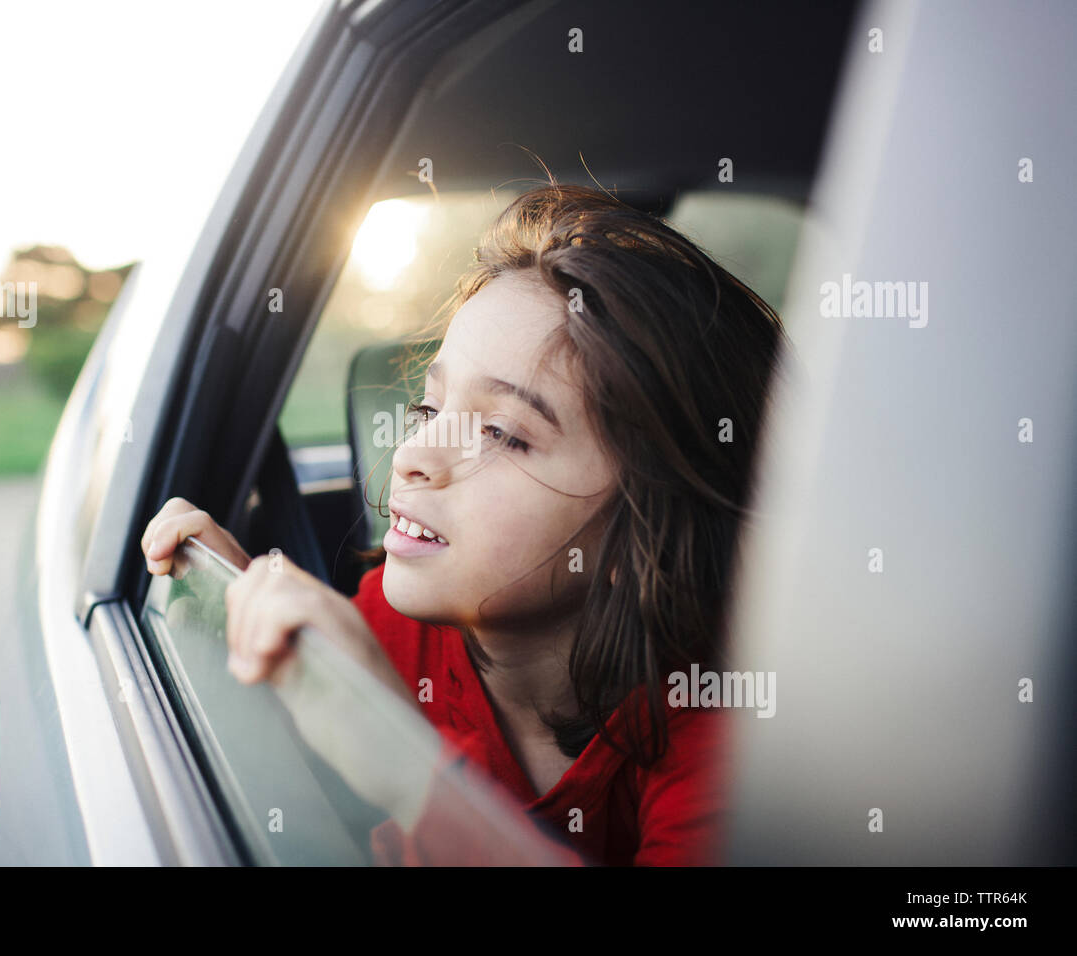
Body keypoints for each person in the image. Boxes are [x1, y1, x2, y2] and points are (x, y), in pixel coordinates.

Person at [141, 182, 789, 865]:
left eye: (503, 434)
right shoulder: (387, 638)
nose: (414, 454)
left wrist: (416, 774)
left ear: (649, 528)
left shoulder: (722, 737)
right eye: (426, 410)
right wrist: (238, 612)